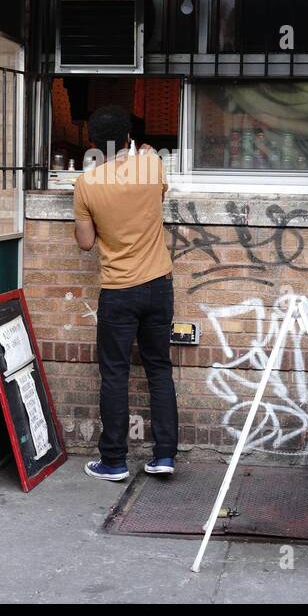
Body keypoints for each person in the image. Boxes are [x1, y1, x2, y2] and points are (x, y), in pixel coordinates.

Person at [73, 104, 178, 481]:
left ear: (94, 145)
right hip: (158, 284)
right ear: (129, 137)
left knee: (115, 374)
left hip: (118, 290)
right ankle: (164, 456)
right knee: (159, 369)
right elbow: (158, 198)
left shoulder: (86, 184)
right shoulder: (152, 165)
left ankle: (114, 461)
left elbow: (86, 243)